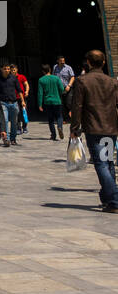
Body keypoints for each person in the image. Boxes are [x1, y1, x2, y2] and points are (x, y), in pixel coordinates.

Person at [69, 50, 118, 213]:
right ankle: (107, 197)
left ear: (88, 63)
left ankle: (114, 200)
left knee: (101, 163)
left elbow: (77, 106)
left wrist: (75, 128)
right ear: (103, 62)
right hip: (110, 127)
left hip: (93, 127)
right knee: (108, 161)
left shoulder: (83, 81)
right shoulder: (112, 81)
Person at [0, 64, 21, 147]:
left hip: (13, 103)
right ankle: (6, 139)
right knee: (4, 120)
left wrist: (22, 101)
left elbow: (19, 90)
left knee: (14, 122)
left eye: (8, 69)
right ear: (1, 69)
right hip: (3, 103)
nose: (7, 70)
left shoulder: (13, 78)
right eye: (5, 69)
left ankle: (13, 139)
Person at [37, 64, 65, 140]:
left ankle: (53, 135)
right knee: (59, 116)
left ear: (43, 71)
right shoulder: (56, 78)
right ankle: (59, 126)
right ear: (50, 70)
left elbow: (40, 93)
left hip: (47, 102)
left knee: (50, 119)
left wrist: (40, 104)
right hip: (57, 101)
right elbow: (62, 89)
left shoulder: (41, 80)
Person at [53, 56, 75, 125]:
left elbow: (72, 77)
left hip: (68, 88)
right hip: (59, 89)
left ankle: (74, 117)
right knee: (61, 104)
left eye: (63, 61)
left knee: (69, 103)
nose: (62, 62)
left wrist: (69, 85)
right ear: (58, 61)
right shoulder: (55, 67)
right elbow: (54, 77)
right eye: (61, 61)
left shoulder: (68, 68)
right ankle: (64, 119)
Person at [14, 66, 30, 131]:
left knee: (24, 112)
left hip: (22, 97)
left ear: (17, 70)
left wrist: (27, 91)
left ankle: (25, 126)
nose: (13, 71)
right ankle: (18, 128)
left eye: (14, 70)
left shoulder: (21, 77)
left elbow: (26, 84)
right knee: (16, 113)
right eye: (11, 70)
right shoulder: (10, 78)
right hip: (14, 98)